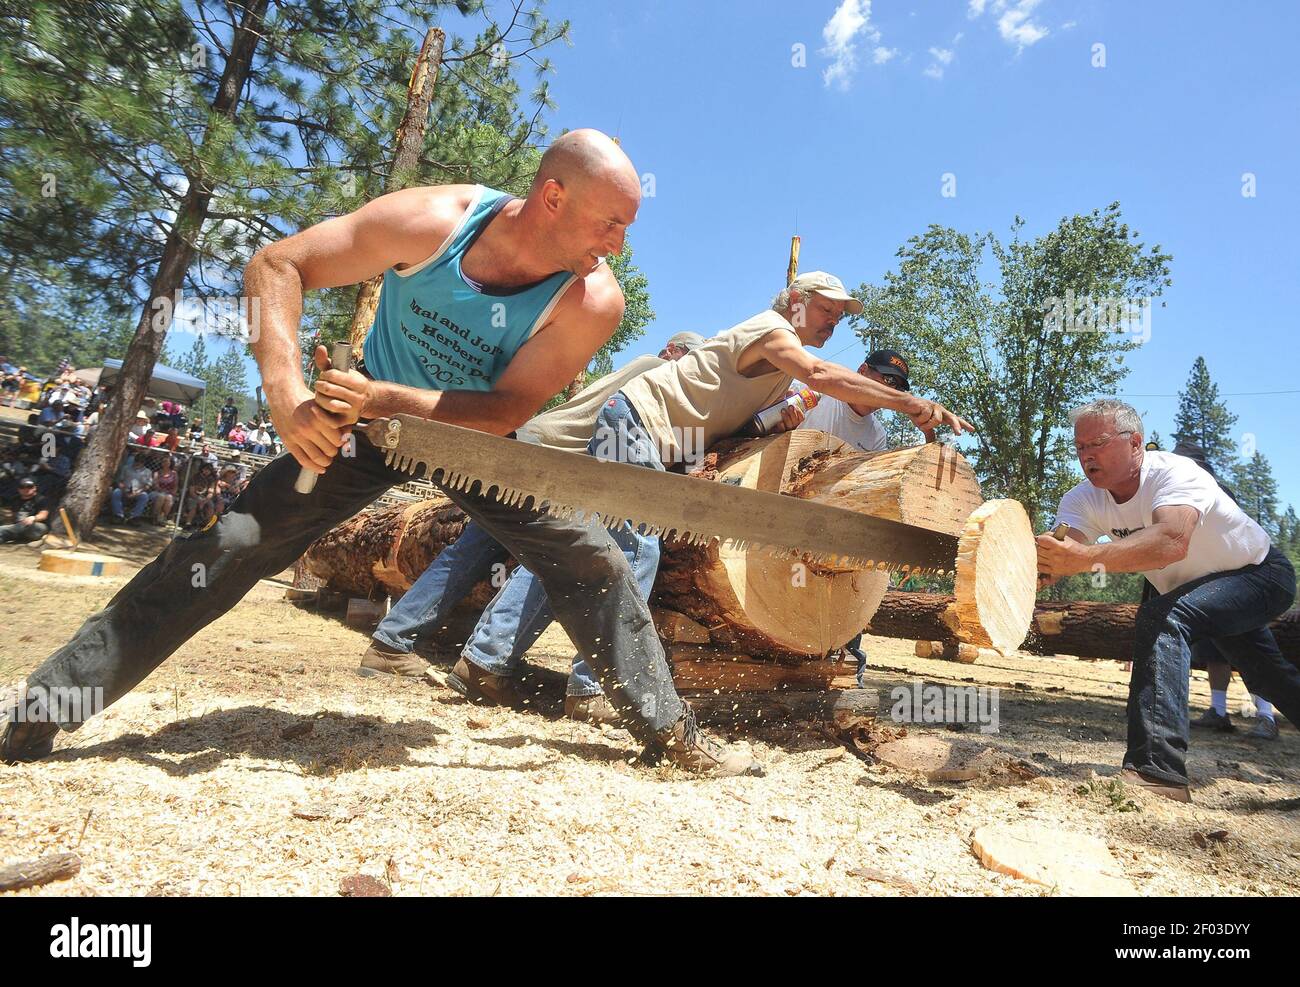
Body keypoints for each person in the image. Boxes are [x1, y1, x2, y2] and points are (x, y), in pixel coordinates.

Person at [3, 129, 761, 776]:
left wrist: (391, 398)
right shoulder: (432, 221)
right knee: (231, 543)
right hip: (364, 425)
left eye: (626, 229)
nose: (617, 245)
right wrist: (287, 392)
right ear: (553, 197)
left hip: (473, 437)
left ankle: (671, 735)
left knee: (590, 558)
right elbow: (277, 265)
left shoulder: (594, 299)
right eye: (611, 223)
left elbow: (506, 410)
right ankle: (50, 701)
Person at [427, 273, 972, 724]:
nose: (837, 321)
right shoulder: (774, 331)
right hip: (636, 426)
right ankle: (594, 691)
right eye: (830, 311)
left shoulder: (778, 366)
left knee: (572, 547)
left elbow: (763, 405)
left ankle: (484, 662)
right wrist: (908, 403)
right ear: (799, 303)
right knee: (634, 552)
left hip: (647, 434)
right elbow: (820, 374)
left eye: (841, 315)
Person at [358, 331, 706, 723]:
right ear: (674, 352)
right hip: (548, 463)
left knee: (471, 549)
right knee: (556, 554)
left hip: (531, 448)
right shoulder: (655, 370)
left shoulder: (645, 375)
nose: (691, 376)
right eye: (691, 362)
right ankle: (492, 665)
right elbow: (628, 438)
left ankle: (395, 645)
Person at [1036, 399, 1300, 802]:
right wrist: (1029, 565)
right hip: (1202, 592)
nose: (1087, 455)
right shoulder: (1082, 498)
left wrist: (1088, 558)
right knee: (1268, 675)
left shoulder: (1175, 473)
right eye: (1080, 447)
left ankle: (1158, 773)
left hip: (1261, 574)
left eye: (1099, 443)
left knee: (1163, 617)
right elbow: (1060, 551)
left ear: (1136, 442)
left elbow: (1171, 541)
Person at [795, 348, 937, 684]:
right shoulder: (822, 397)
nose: (889, 389)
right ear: (862, 370)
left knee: (855, 587)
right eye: (884, 379)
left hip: (837, 532)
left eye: (897, 387)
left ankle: (845, 666)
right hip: (791, 513)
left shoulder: (875, 435)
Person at [0, 478, 51, 544]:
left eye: (29, 487)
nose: (26, 489)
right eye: (22, 487)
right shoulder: (15, 500)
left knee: (23, 526)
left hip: (36, 527)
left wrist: (33, 518)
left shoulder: (41, 499)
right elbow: (13, 516)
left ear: (34, 488)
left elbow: (43, 515)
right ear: (19, 489)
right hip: (18, 528)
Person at [110, 453, 154, 524]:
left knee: (144, 496)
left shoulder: (147, 472)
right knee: (116, 492)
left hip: (138, 491)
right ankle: (119, 515)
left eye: (140, 462)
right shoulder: (126, 468)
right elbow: (120, 480)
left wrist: (137, 492)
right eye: (137, 461)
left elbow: (148, 485)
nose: (138, 463)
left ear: (143, 463)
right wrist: (123, 489)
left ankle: (134, 517)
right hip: (125, 489)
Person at [150, 454, 179, 524]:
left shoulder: (174, 473)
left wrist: (173, 492)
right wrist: (162, 490)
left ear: (170, 463)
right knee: (161, 496)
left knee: (169, 498)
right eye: (163, 462)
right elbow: (155, 485)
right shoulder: (157, 473)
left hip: (169, 493)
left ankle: (162, 517)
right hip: (157, 492)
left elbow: (176, 485)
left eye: (167, 462)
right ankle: (155, 517)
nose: (165, 463)